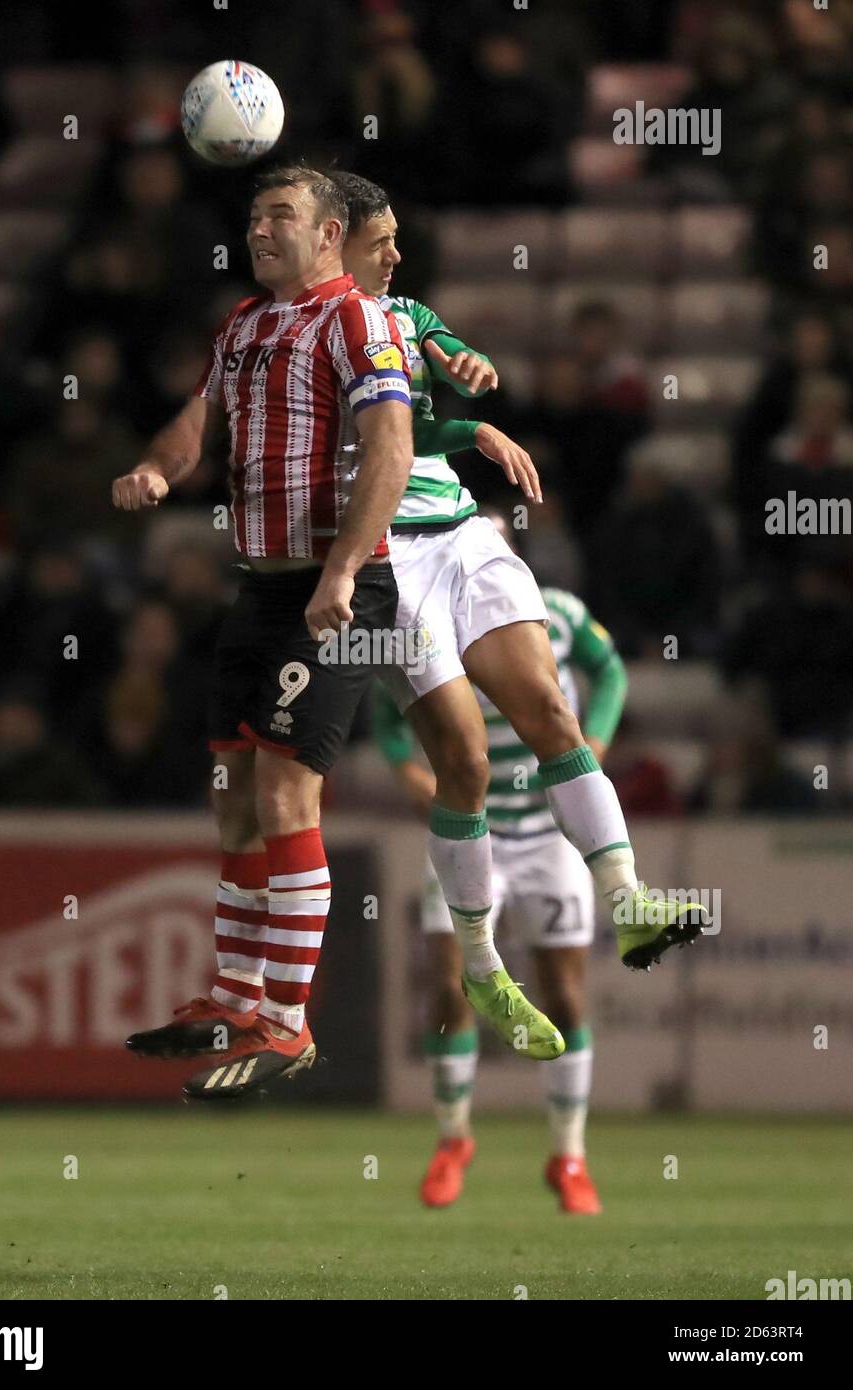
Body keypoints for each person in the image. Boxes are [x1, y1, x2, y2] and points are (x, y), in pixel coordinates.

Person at [331, 170, 707, 1009]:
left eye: (397, 237)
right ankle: (478, 957)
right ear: (333, 242)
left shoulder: (406, 317)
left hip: (460, 528)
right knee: (463, 761)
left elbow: (438, 389)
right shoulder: (308, 337)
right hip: (387, 551)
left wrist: (472, 391)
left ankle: (628, 900)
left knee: (548, 710)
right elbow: (370, 438)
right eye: (379, 240)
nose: (396, 254)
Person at [112, 165, 414, 1098]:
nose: (260, 230)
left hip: (342, 593)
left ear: (329, 234)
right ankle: (237, 994)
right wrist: (159, 469)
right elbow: (192, 426)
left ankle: (286, 1022)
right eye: (252, 217)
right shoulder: (243, 324)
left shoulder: (357, 319)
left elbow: (391, 449)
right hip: (260, 594)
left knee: (286, 794)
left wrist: (339, 570)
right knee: (233, 797)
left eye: (281, 215)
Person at [374, 560, 627, 1213]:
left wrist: (594, 735)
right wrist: (403, 764)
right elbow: (384, 693)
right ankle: (453, 1138)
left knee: (565, 995)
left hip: (549, 837)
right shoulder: (427, 620)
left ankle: (568, 1157)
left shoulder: (557, 612)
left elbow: (610, 670)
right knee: (448, 988)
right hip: (471, 833)